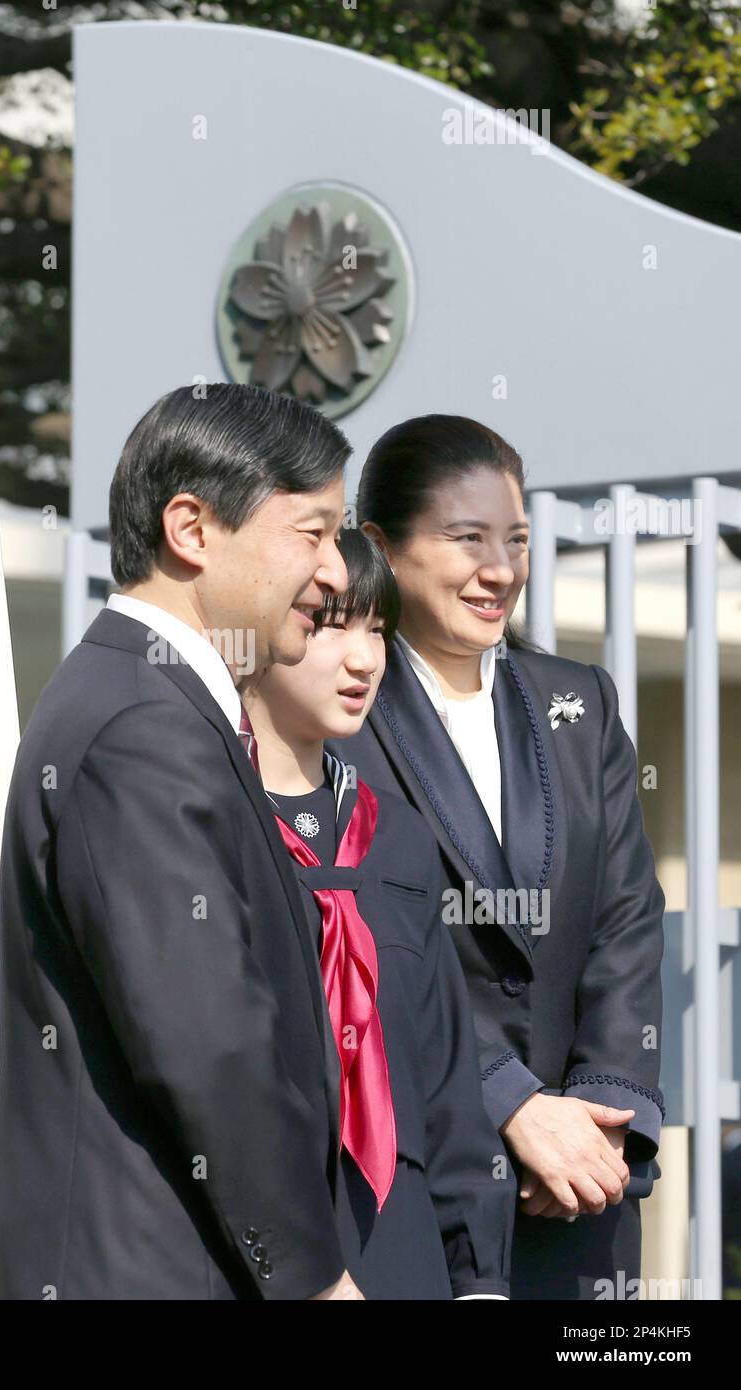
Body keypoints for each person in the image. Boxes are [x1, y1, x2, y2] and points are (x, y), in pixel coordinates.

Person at [0, 381, 366, 1300]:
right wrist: (312, 1276)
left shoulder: (154, 703)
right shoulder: (142, 725)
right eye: (310, 534)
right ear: (191, 529)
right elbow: (207, 1039)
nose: (338, 572)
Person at [335, 415, 665, 1299]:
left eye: (515, 540)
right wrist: (506, 1101)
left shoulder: (577, 702)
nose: (499, 570)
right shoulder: (337, 715)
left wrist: (604, 1114)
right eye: (464, 538)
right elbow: (359, 947)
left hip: (581, 1186)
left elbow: (626, 918)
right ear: (378, 543)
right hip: (424, 1174)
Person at [241, 527, 513, 1299]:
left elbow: (446, 1080)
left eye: (379, 630)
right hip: (258, 1253)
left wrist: (478, 1280)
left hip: (401, 1244)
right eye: (332, 623)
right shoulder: (201, 828)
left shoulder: (394, 838)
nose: (364, 659)